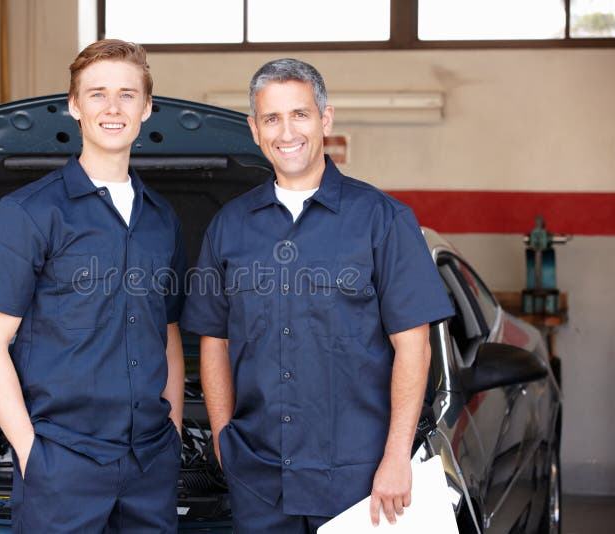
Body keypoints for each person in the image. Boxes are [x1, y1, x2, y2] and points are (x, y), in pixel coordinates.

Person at [180, 58, 453, 532]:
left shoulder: (383, 220)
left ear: (325, 119)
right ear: (254, 129)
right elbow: (214, 340)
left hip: (361, 481)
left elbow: (415, 346)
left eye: (300, 114)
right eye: (272, 118)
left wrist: (395, 457)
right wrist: (224, 438)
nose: (287, 132)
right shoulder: (229, 227)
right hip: (259, 480)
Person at [0, 39, 187, 533]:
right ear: (74, 106)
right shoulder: (30, 212)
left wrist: (170, 431)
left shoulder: (162, 220)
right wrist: (31, 454)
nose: (113, 107)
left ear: (147, 108)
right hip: (62, 464)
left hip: (150, 464)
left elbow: (167, 331)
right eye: (97, 94)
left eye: (128, 94)